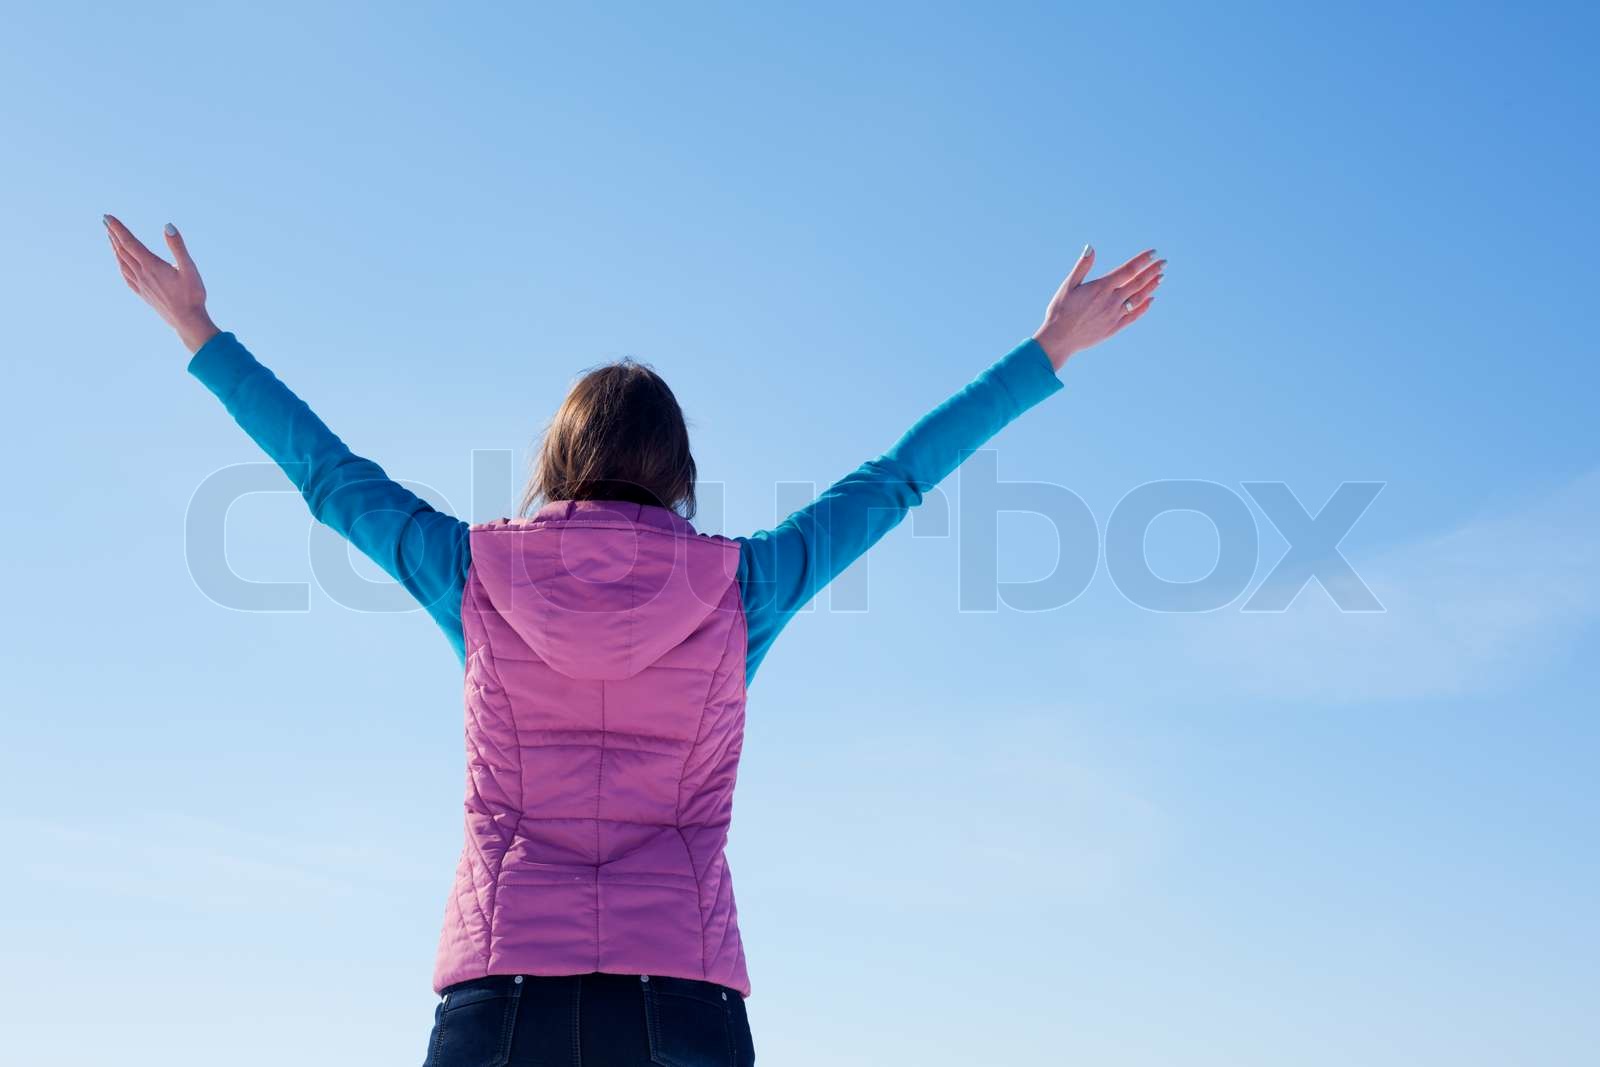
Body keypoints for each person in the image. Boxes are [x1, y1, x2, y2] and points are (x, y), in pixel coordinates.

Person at [103, 214, 1164, 1066]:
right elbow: (896, 479)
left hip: (500, 986)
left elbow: (330, 479)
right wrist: (1049, 348)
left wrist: (198, 331)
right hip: (680, 990)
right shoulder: (744, 585)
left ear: (558, 459)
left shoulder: (472, 573)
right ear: (678, 470)